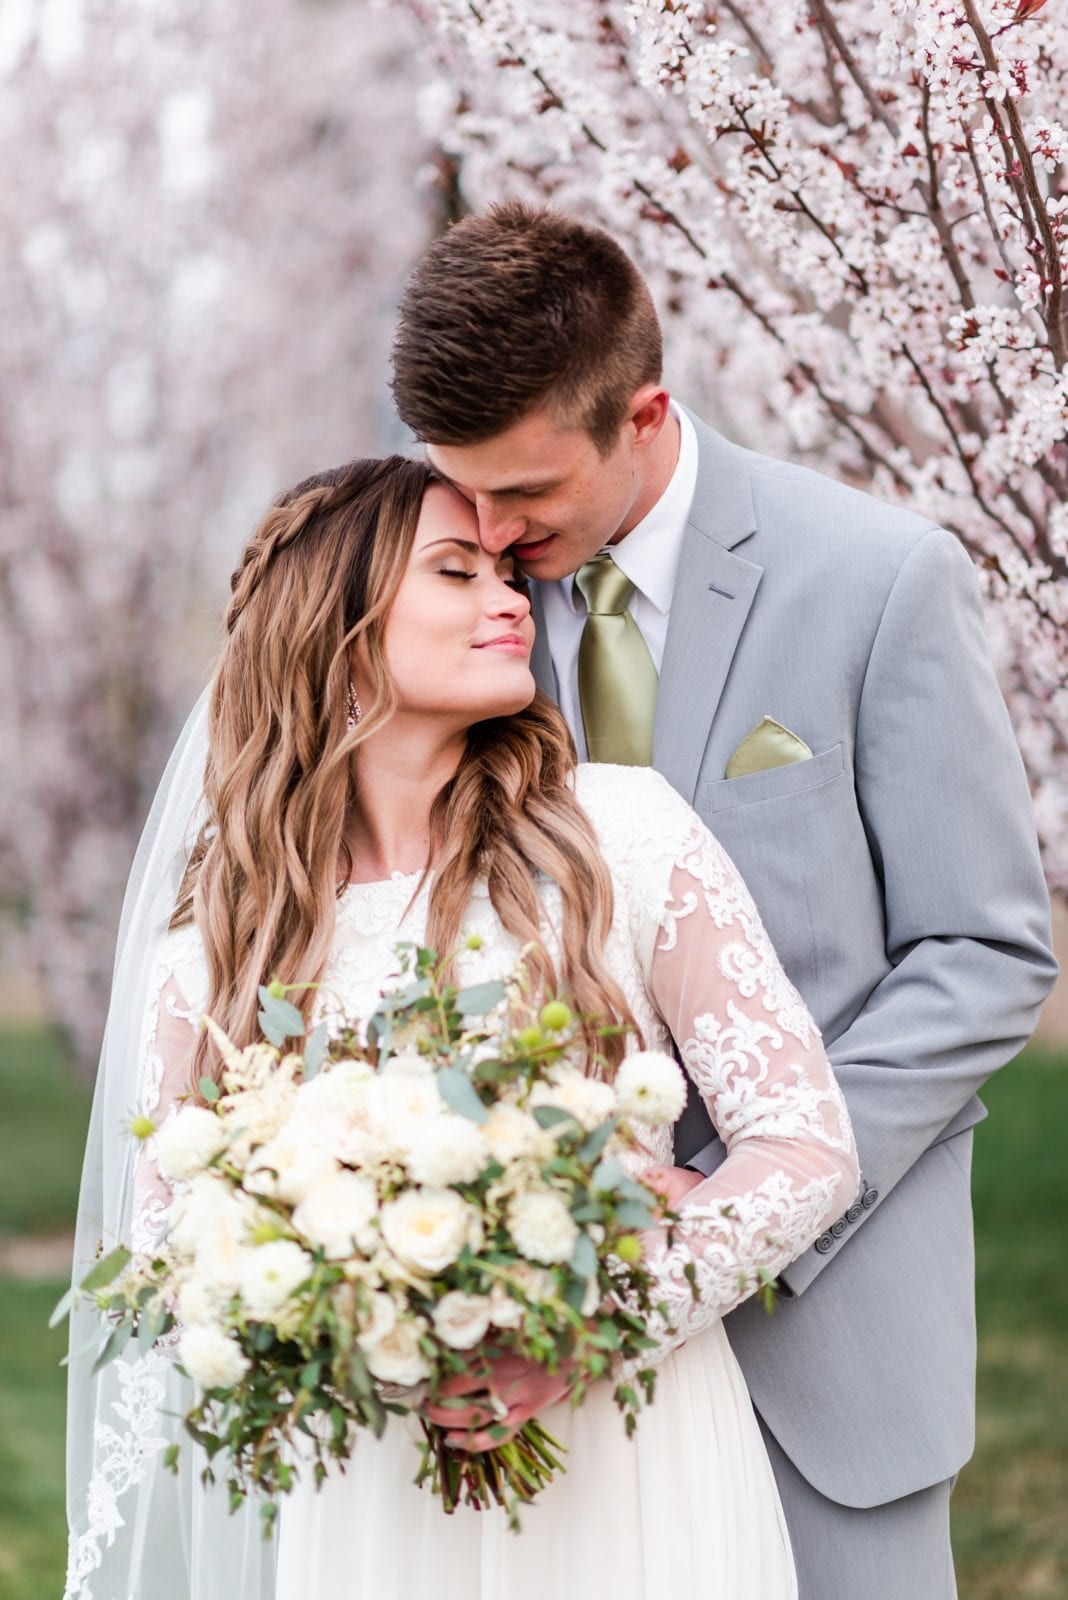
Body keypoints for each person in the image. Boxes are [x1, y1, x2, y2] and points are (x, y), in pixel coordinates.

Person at [388, 202, 1059, 1600]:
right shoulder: (466, 618)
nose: (492, 532)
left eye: (526, 493)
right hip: (536, 1331)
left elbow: (984, 949)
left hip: (829, 1334)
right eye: (466, 490)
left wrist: (759, 1191)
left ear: (642, 414)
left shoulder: (880, 581)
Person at [64, 454, 859, 1599]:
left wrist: (590, 1325)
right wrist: (368, 1311)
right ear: (335, 635)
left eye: (506, 571)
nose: (509, 599)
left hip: (631, 1460)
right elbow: (175, 1260)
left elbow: (804, 1145)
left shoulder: (618, 837)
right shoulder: (218, 952)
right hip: (373, 1494)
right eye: (456, 571)